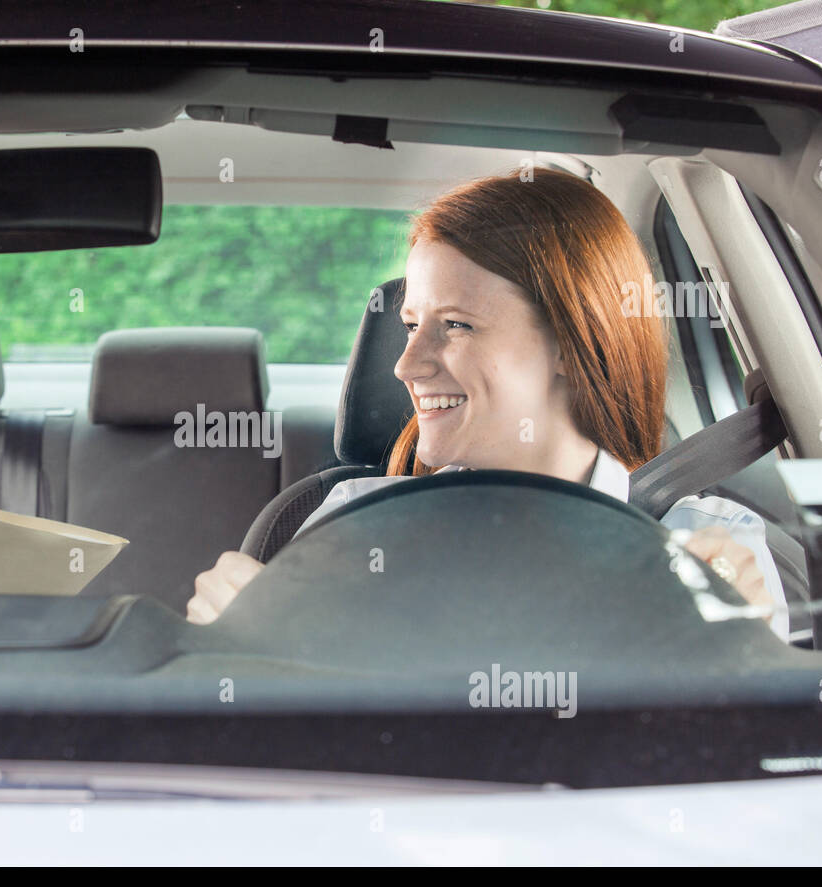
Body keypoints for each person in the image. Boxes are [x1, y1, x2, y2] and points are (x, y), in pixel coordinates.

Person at [187, 168, 790, 641]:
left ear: (569, 345)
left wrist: (739, 654)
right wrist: (231, 648)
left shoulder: (704, 542)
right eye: (410, 324)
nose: (405, 364)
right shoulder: (353, 522)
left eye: (456, 325)